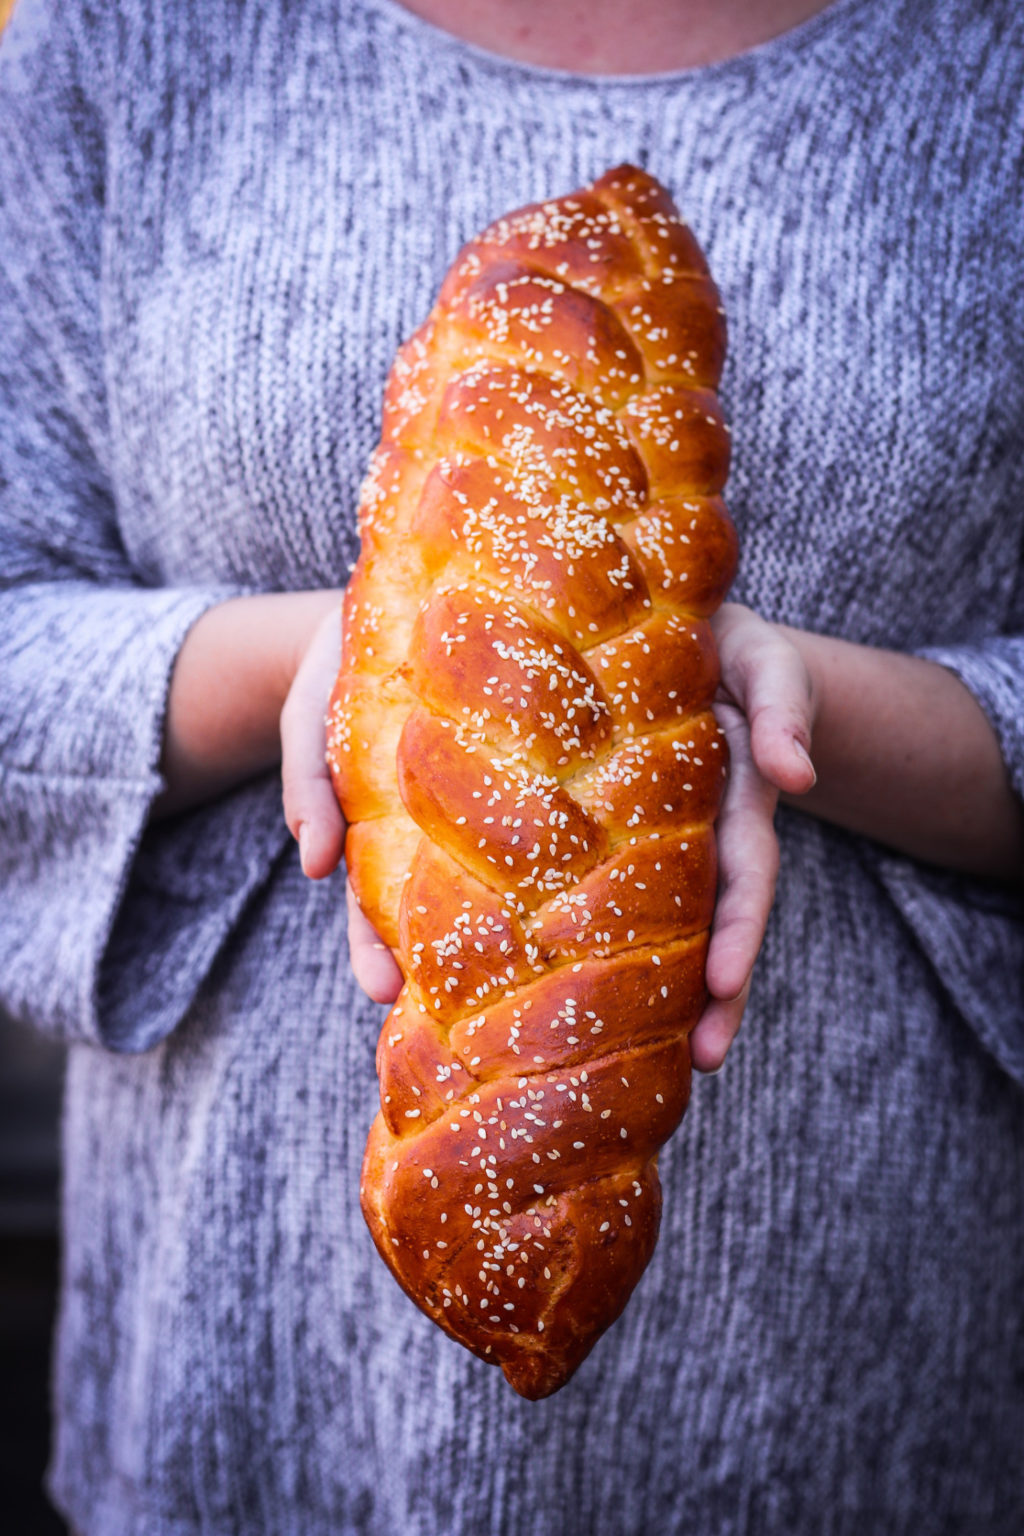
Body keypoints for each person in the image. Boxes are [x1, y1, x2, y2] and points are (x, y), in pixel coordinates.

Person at [1, 0, 1022, 1531]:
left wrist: (806, 713)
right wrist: (335, 659)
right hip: (243, 1355)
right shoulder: (132, 42)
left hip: (866, 1363)